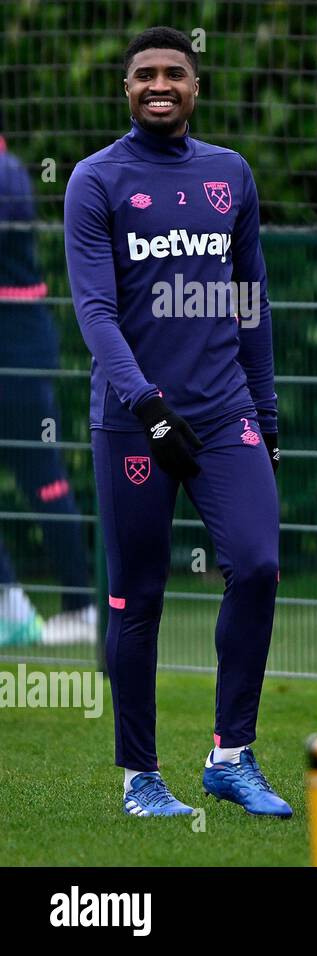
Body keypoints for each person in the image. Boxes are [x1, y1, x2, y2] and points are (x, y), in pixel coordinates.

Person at [64, 27, 287, 817]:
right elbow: (95, 309)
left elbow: (250, 303)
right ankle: (140, 777)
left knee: (258, 565)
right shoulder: (96, 180)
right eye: (145, 75)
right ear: (126, 89)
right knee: (138, 597)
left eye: (175, 74)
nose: (160, 85)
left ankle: (232, 756)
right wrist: (146, 403)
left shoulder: (230, 174)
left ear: (196, 86)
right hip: (135, 422)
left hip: (227, 415)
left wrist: (264, 409)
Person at [0, 121, 96, 647]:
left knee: (45, 480)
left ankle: (79, 606)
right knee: (45, 479)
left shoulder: (5, 173)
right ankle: (14, 601)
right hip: (21, 348)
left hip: (16, 354)